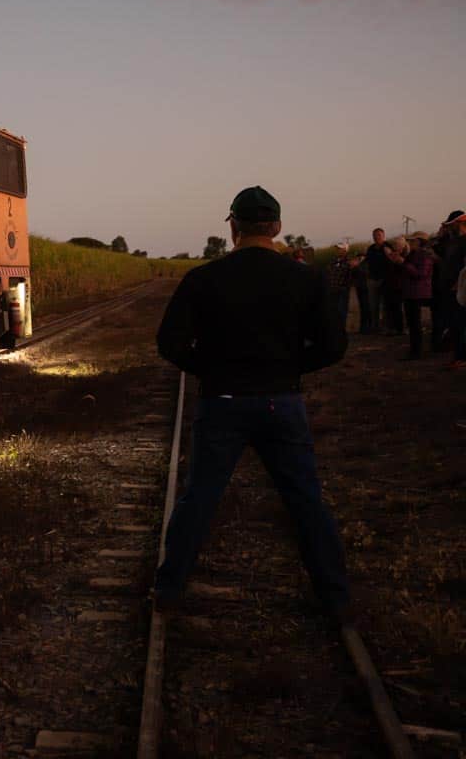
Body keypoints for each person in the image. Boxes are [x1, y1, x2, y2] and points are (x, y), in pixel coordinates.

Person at [155, 186, 350, 623]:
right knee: (304, 499)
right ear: (277, 227)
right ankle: (335, 598)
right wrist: (290, 367)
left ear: (233, 227)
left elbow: (168, 343)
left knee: (200, 497)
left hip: (222, 402)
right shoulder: (305, 279)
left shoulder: (203, 279)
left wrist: (209, 367)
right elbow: (334, 344)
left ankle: (169, 589)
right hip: (282, 402)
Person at [392, 231, 434, 359]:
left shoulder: (425, 256)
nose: (409, 243)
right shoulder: (413, 254)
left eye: (412, 241)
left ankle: (416, 352)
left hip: (417, 293)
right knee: (412, 323)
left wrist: (403, 262)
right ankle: (414, 350)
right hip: (410, 292)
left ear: (420, 241)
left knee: (415, 324)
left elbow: (421, 274)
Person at [440, 211, 466, 369]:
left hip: (460, 290)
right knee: (454, 324)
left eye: (453, 224)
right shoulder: (454, 241)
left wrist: (459, 283)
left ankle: (462, 358)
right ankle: (458, 356)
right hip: (450, 289)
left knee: (460, 324)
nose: (451, 227)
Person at [363, 228, 390, 333]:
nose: (376, 237)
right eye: (374, 235)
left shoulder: (387, 247)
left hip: (384, 280)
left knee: (385, 305)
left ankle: (384, 327)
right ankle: (375, 326)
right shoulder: (371, 248)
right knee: (373, 305)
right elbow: (366, 262)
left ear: (383, 236)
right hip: (372, 280)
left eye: (379, 235)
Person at [326, 241, 352, 327]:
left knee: (341, 310)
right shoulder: (333, 261)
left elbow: (347, 276)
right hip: (332, 289)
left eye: (340, 249)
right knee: (333, 311)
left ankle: (341, 329)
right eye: (337, 249)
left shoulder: (348, 262)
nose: (337, 250)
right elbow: (329, 273)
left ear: (345, 250)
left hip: (342, 290)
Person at [349, 251, 370, 334]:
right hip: (359, 288)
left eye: (362, 256)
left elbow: (366, 273)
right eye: (359, 256)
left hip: (366, 288)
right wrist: (353, 268)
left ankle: (367, 327)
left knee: (366, 307)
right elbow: (353, 275)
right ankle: (362, 327)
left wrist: (356, 267)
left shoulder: (366, 264)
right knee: (362, 308)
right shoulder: (359, 264)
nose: (360, 258)